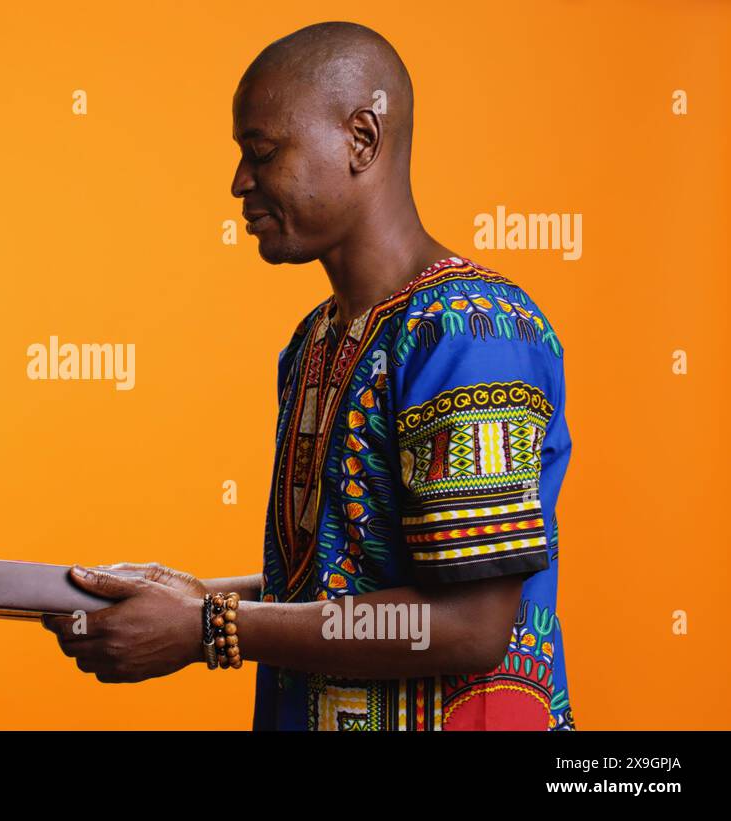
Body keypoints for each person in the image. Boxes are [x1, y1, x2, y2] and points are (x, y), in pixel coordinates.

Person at [41, 22, 574, 731]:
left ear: (362, 139)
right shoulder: (315, 341)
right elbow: (349, 578)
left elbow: (469, 622)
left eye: (261, 152)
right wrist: (191, 595)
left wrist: (209, 625)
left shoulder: (470, 331)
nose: (239, 182)